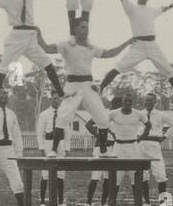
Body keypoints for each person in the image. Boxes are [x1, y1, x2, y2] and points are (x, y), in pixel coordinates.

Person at [38, 18, 131, 155]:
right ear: (74, 29)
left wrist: (127, 42)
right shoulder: (66, 45)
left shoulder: (91, 48)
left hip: (88, 86)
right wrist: (38, 34)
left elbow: (110, 53)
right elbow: (46, 48)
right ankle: (53, 150)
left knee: (103, 118)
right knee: (62, 117)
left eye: (87, 27)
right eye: (82, 27)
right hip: (73, 85)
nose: (85, 30)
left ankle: (103, 150)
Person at [95, 0, 173, 100]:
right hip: (138, 46)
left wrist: (168, 7)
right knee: (119, 67)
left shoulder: (151, 10)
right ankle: (101, 87)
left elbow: (161, 9)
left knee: (168, 70)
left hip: (153, 46)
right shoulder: (131, 8)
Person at [136, 92, 173, 206]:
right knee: (142, 175)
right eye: (146, 100)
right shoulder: (138, 114)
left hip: (154, 146)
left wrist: (164, 137)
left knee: (161, 175)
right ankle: (146, 202)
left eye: (150, 100)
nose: (148, 102)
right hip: (141, 145)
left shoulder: (160, 115)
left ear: (155, 102)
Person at [34, 94, 68, 206]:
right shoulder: (44, 114)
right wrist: (41, 148)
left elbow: (67, 132)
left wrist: (67, 148)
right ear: (50, 99)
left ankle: (61, 201)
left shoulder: (64, 113)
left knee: (61, 173)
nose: (57, 100)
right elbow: (39, 133)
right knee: (45, 173)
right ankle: (42, 201)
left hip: (61, 144)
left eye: (58, 98)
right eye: (54, 98)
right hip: (48, 143)